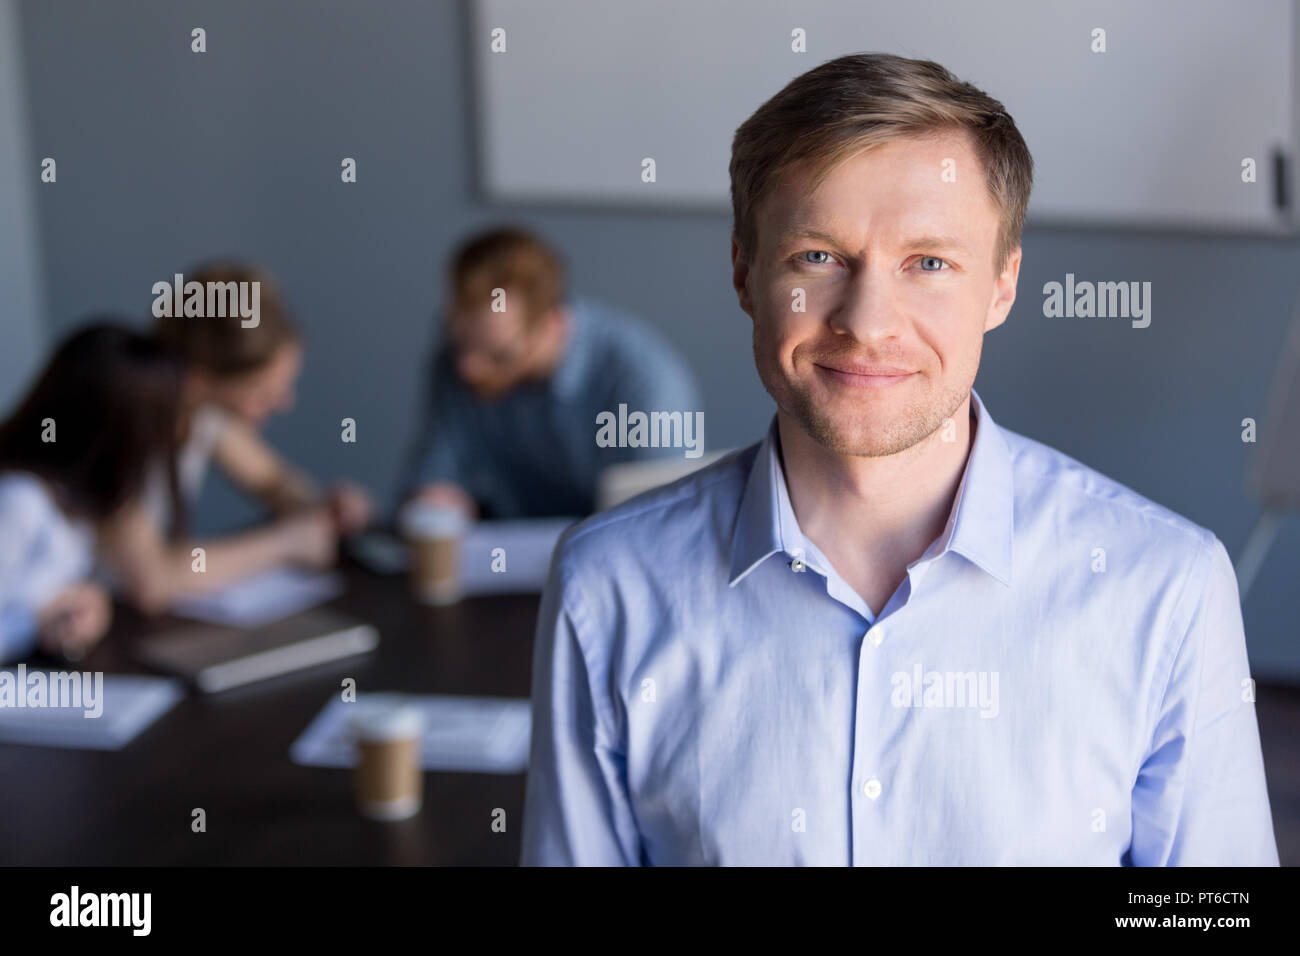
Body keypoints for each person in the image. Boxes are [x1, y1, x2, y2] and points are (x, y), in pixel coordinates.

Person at [521, 53, 1279, 865]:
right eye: (818, 256)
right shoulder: (608, 584)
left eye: (928, 263)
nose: (869, 321)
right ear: (744, 270)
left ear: (1002, 284)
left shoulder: (1166, 587)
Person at [97, 261, 372, 614]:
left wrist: (322, 511)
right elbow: (152, 579)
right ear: (200, 380)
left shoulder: (202, 413)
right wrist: (285, 544)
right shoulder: (119, 426)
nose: (285, 403)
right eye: (264, 392)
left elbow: (272, 480)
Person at [401, 227, 703, 519]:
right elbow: (434, 482)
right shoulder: (457, 357)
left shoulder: (643, 378)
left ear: (553, 324)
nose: (469, 368)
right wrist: (432, 504)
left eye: (500, 356)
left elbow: (659, 520)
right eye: (461, 342)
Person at [0, 324, 185, 664]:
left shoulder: (76, 498)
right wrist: (36, 622)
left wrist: (86, 604)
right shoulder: (19, 500)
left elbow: (38, 595)